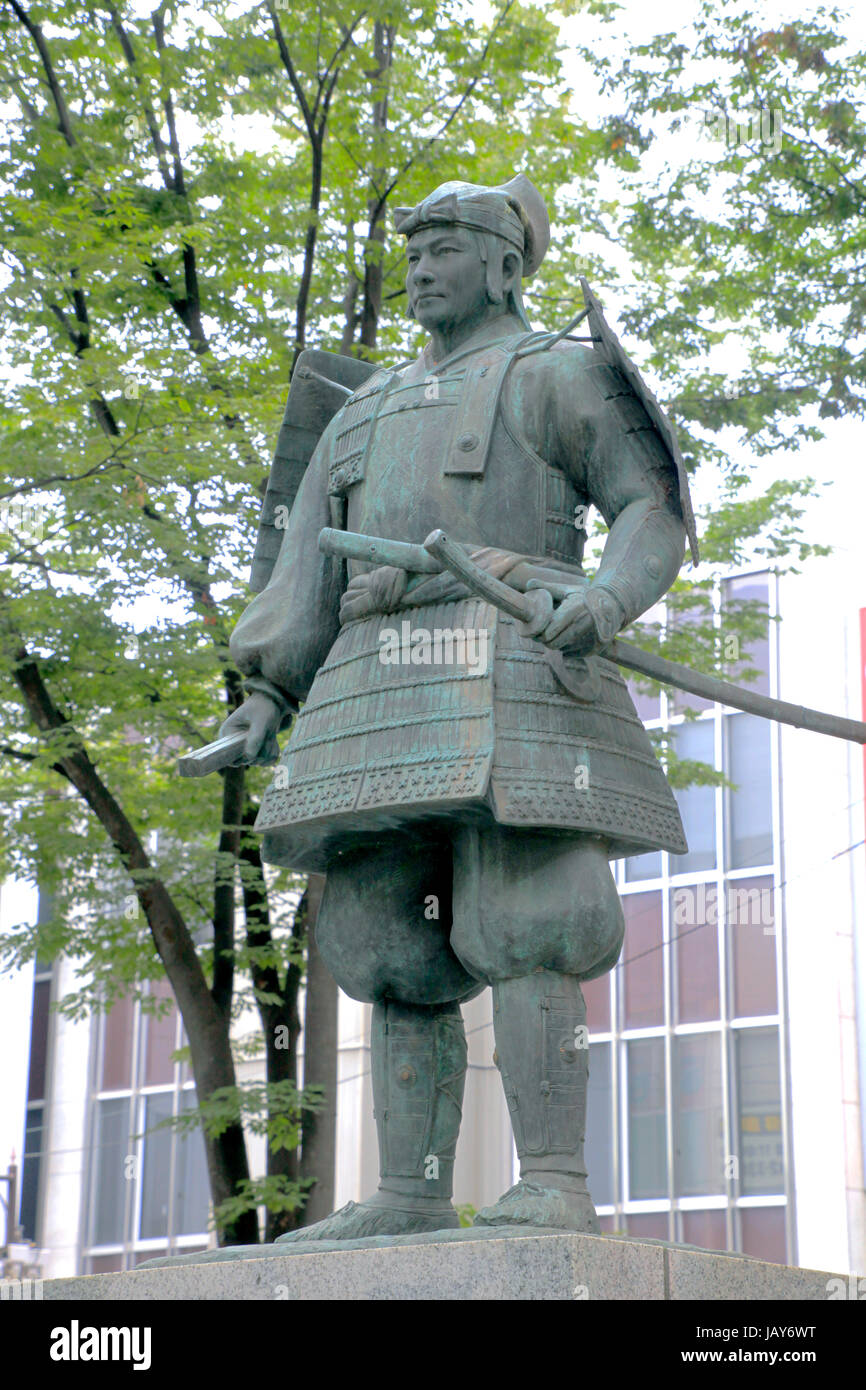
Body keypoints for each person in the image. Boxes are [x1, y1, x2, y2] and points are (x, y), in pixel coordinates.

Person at [218, 174, 693, 1240]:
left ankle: (555, 1178)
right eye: (412, 249)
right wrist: (262, 693)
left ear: (503, 261)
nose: (421, 268)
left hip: (519, 664)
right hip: (373, 690)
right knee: (392, 943)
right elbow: (302, 573)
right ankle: (409, 1189)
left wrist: (606, 595)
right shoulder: (359, 414)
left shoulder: (559, 376)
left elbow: (644, 507)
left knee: (524, 922)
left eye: (444, 247)